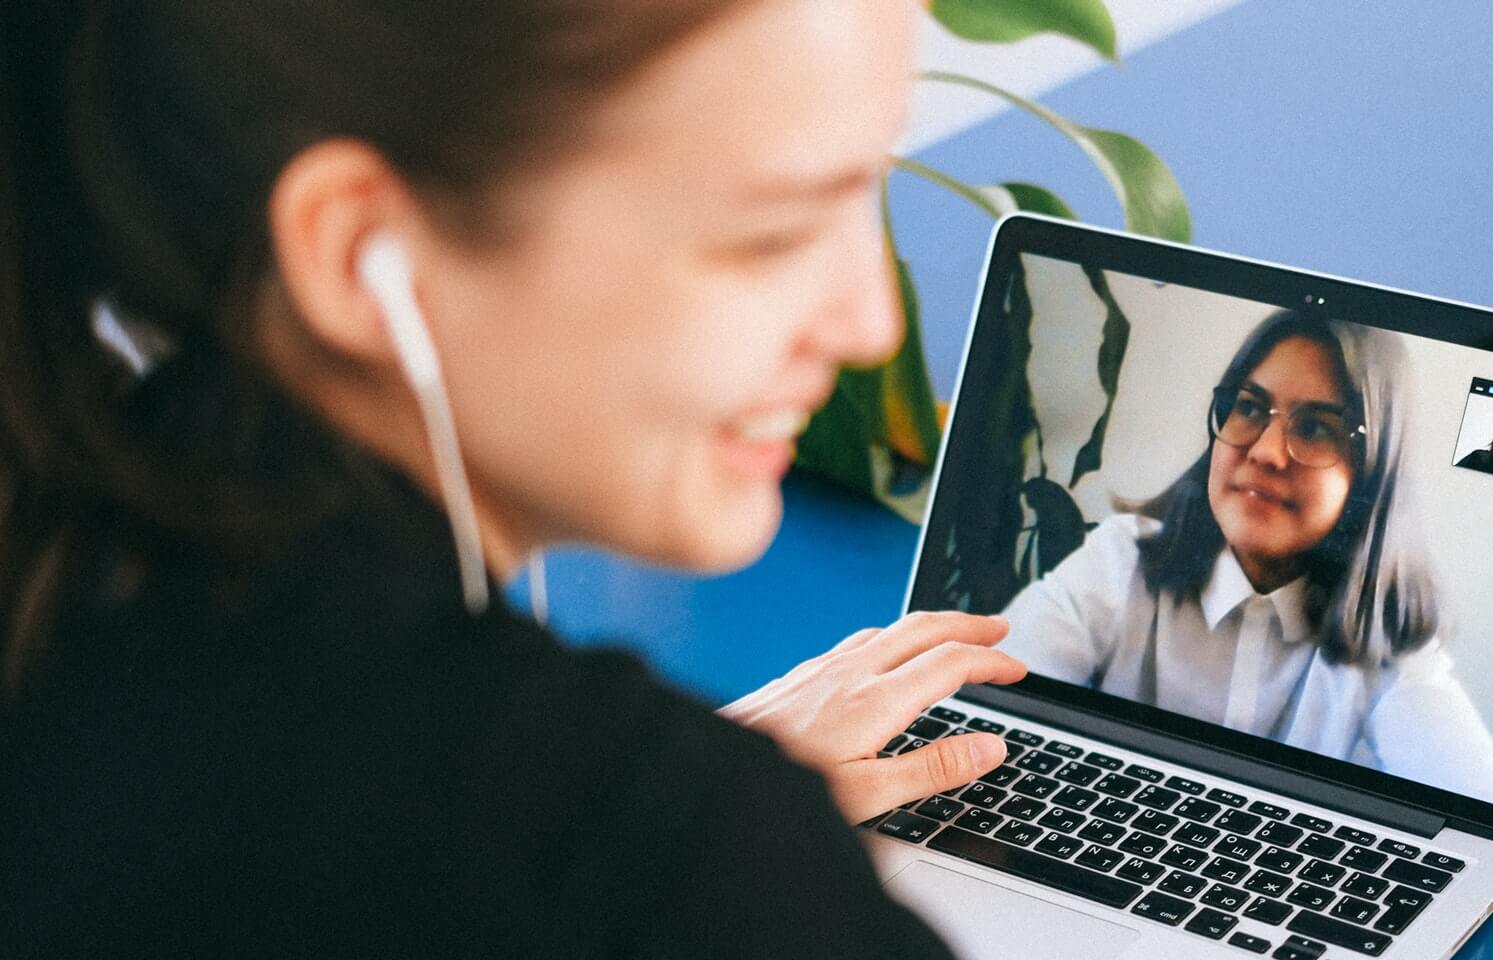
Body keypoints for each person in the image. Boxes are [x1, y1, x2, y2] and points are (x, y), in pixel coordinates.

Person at [0, 2, 1024, 957]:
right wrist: (682, 842)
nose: (870, 324)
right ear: (364, 254)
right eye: (770, 235)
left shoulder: (72, 542)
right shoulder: (662, 870)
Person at [998, 309, 1493, 805]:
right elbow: (986, 697)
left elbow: (1481, 817)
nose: (1266, 452)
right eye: (1249, 407)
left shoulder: (1389, 644)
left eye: (1315, 426)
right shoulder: (1122, 560)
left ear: (1371, 472)